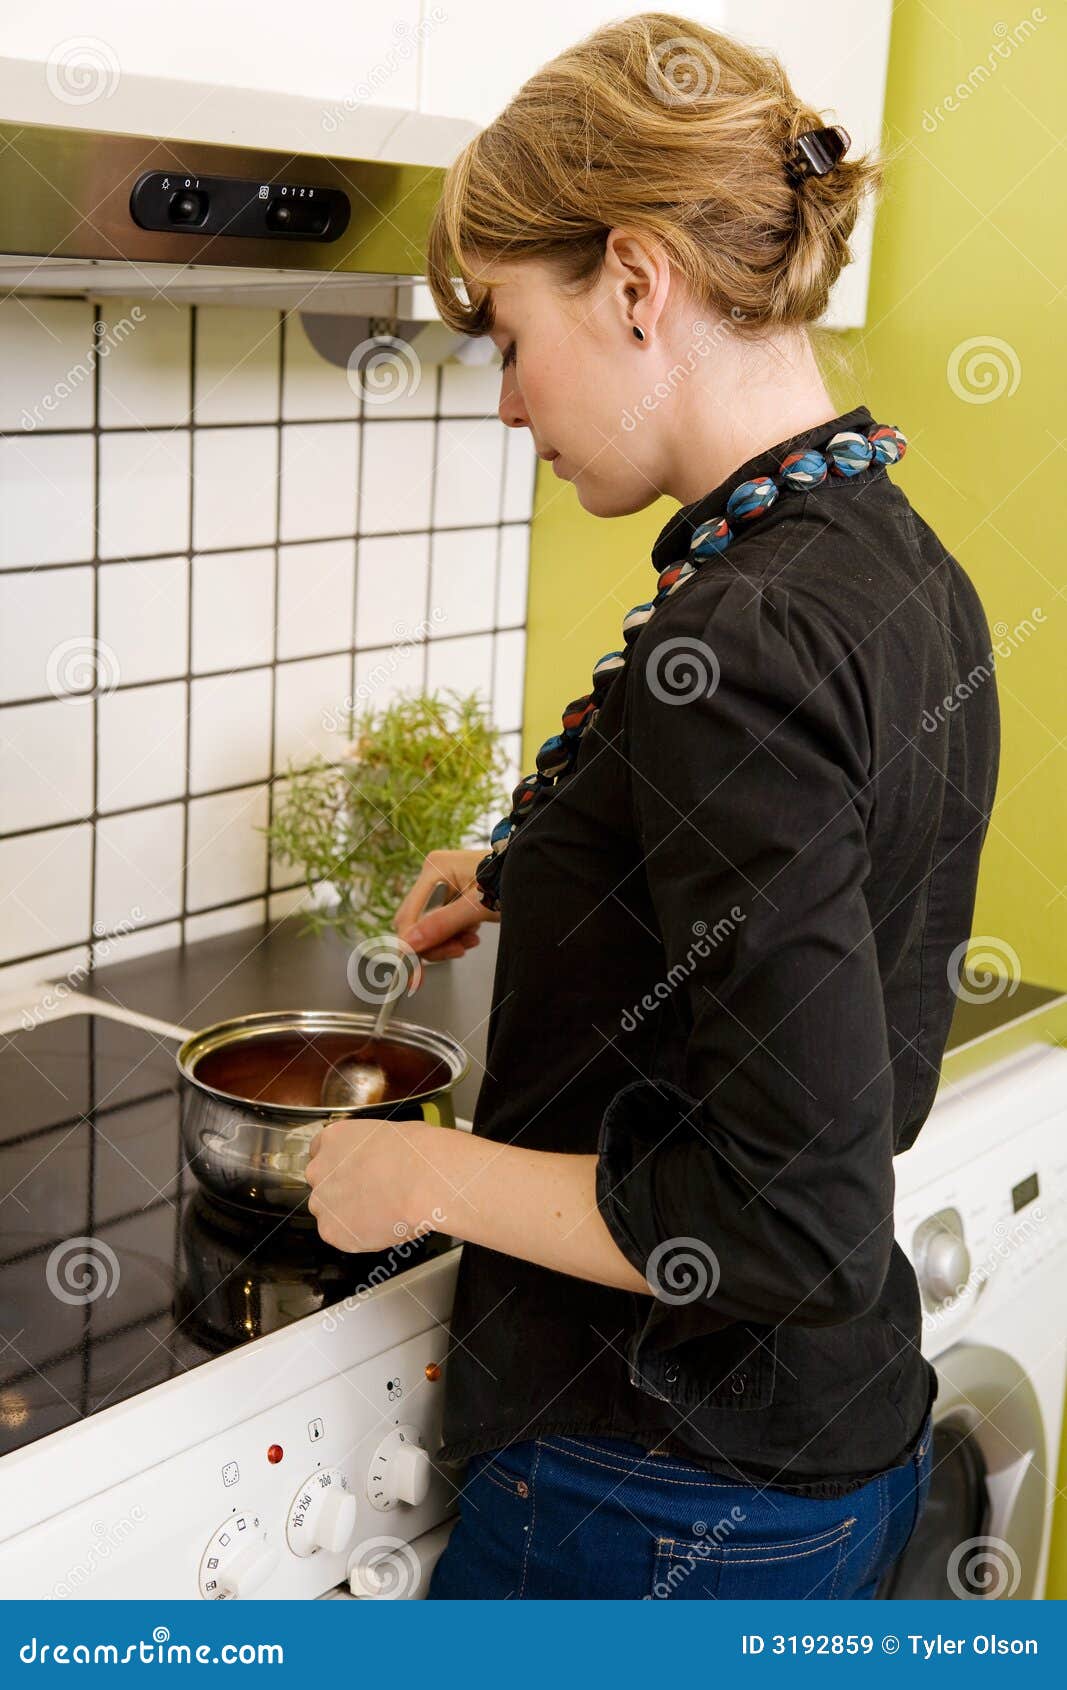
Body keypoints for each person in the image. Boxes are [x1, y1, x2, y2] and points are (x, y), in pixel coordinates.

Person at [305, 12, 999, 1599]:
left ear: (634, 281)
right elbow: (814, 857)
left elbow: (789, 1218)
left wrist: (421, 1175)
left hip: (659, 1490)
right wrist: (539, 865)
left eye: (503, 334)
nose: (504, 402)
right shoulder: (889, 560)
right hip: (830, 1449)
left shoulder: (734, 642)